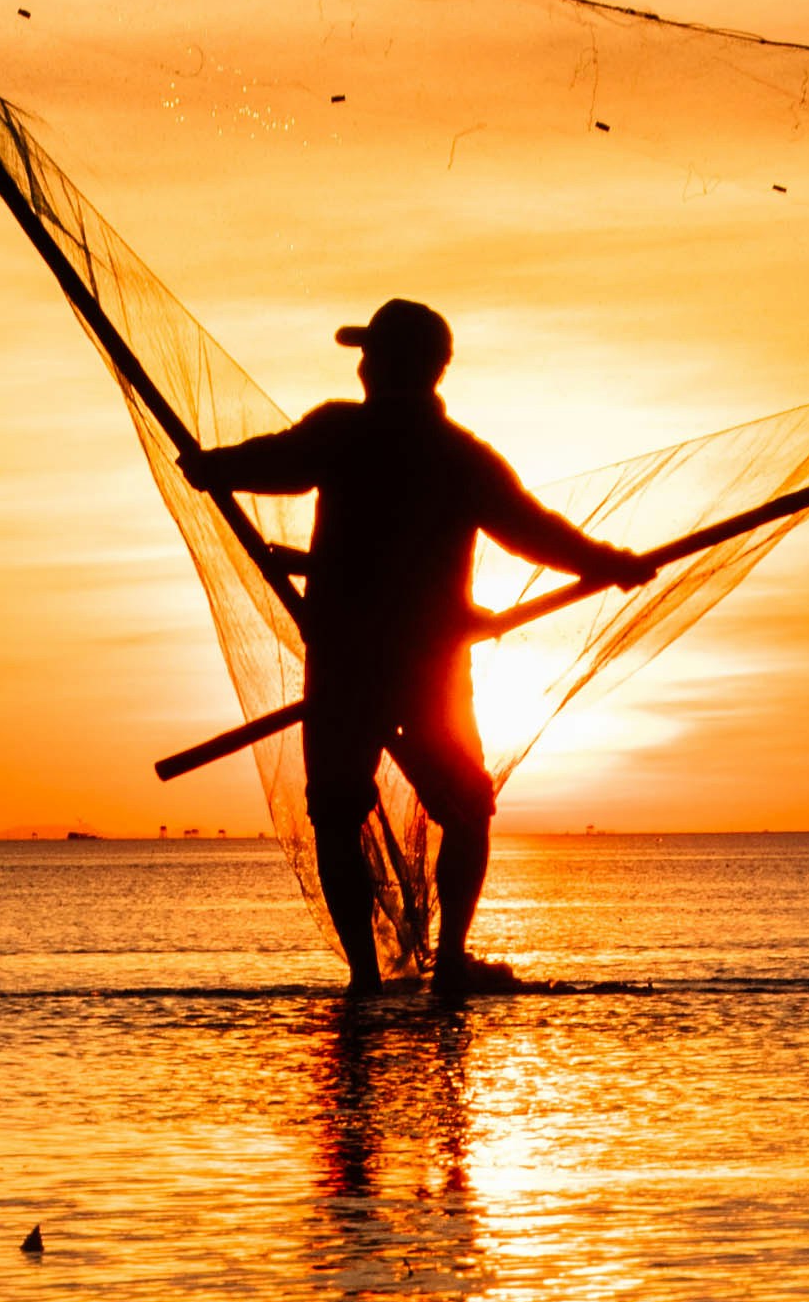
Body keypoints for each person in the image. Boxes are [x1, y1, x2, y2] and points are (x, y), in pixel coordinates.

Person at [183, 299, 654, 999]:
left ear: (400, 363)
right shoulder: (452, 454)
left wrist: (211, 466)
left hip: (367, 664)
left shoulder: (358, 435)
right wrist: (604, 562)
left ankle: (373, 978)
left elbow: (529, 529)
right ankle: (438, 963)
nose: (364, 365)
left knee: (358, 812)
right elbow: (533, 531)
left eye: (372, 354)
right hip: (413, 662)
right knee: (454, 810)